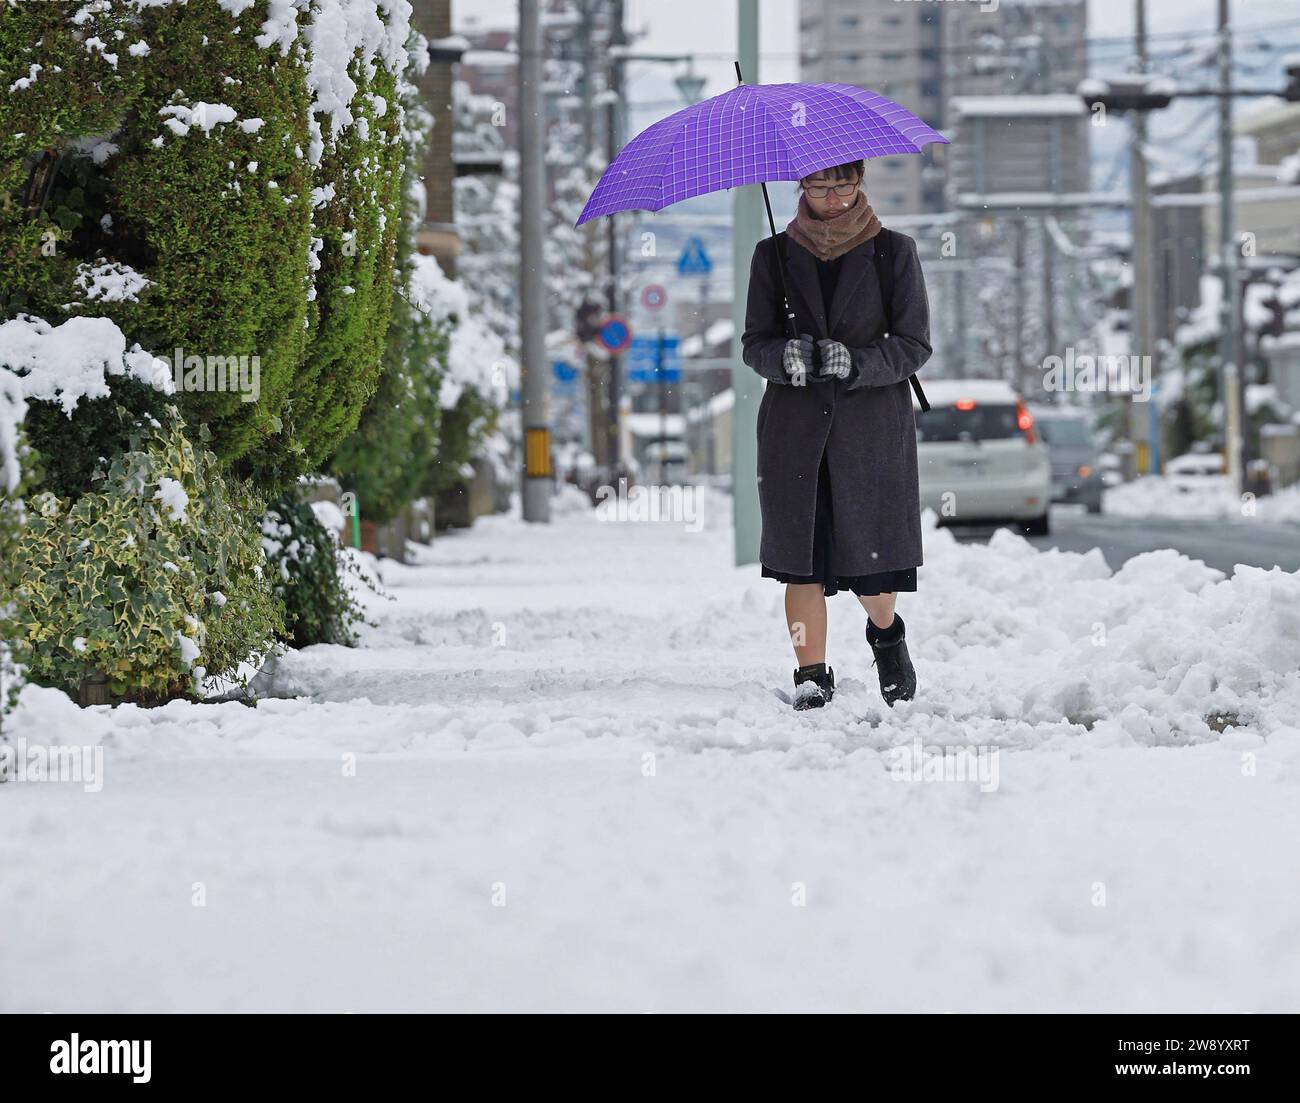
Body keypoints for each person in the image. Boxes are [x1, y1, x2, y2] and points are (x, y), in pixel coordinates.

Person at [740, 160, 931, 711]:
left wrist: (858, 361)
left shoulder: (894, 252)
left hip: (870, 431)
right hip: (795, 432)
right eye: (819, 186)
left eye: (841, 185)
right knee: (799, 561)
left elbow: (914, 343)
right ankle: (811, 673)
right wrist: (784, 357)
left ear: (860, 182)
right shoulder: (772, 255)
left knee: (871, 568)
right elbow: (755, 341)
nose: (830, 198)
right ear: (801, 187)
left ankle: (887, 635)